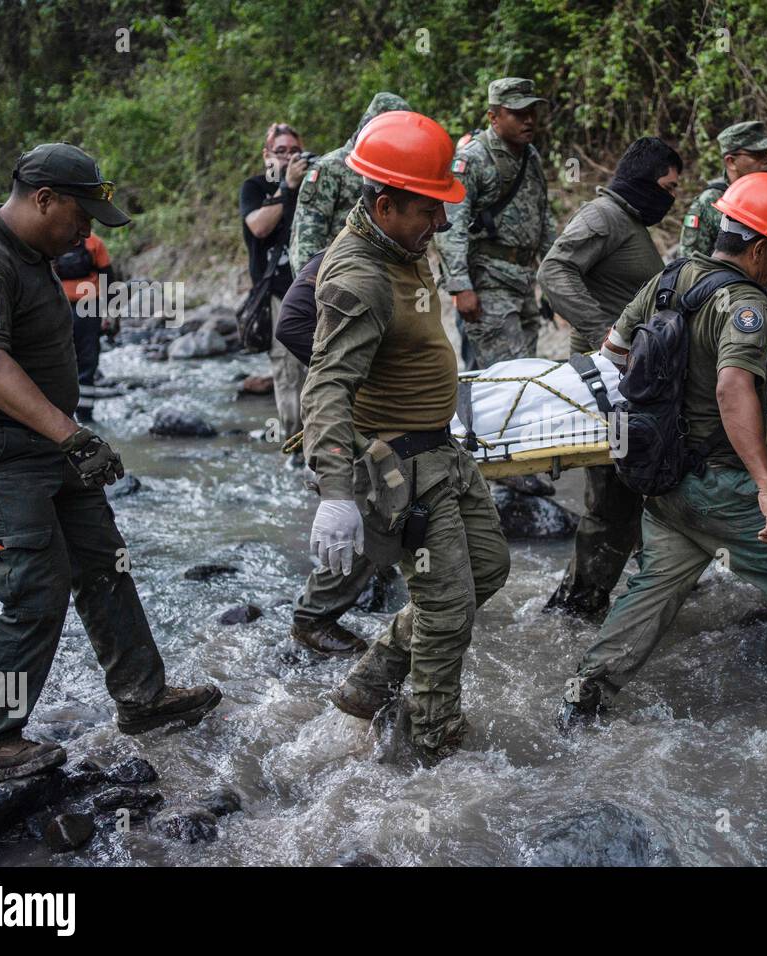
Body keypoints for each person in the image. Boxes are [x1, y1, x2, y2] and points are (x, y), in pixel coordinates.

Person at [0, 143, 222, 789]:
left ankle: (143, 699)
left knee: (103, 565)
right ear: (42, 199)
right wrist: (74, 435)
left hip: (53, 444)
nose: (87, 228)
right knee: (34, 589)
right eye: (80, 213)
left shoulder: (34, 253)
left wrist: (69, 438)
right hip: (1, 451)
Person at [559, 172, 767, 727]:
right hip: (719, 484)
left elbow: (614, 351)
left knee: (651, 593)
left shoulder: (668, 281)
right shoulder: (745, 303)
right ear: (761, 248)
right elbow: (732, 387)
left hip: (666, 481)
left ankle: (583, 700)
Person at [304, 111, 510, 764]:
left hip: (441, 449)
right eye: (430, 211)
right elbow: (326, 387)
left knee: (489, 569)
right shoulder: (360, 277)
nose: (442, 224)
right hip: (403, 471)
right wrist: (336, 493)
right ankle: (433, 749)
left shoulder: (401, 242)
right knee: (447, 611)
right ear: (385, 205)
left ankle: (369, 683)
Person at [280, 93, 409, 656]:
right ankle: (330, 582)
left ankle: (371, 573)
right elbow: (305, 264)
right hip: (331, 316)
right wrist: (344, 356)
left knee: (381, 477)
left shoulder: (400, 208)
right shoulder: (331, 177)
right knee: (346, 458)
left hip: (370, 318)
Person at [540, 137, 681, 617]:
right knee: (614, 499)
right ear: (643, 180)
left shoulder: (627, 221)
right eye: (668, 186)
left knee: (633, 488)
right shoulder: (604, 216)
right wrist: (604, 332)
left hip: (632, 382)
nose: (672, 197)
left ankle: (616, 591)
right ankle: (578, 606)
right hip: (608, 385)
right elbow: (555, 270)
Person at [436, 77, 557, 369]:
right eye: (517, 113)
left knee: (515, 376)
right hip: (489, 283)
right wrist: (460, 287)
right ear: (494, 117)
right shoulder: (472, 159)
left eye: (532, 112)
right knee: (514, 379)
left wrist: (555, 276)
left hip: (524, 282)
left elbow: (543, 217)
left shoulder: (530, 156)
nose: (528, 120)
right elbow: (450, 225)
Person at [678, 121, 767, 319]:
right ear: (731, 161)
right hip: (731, 307)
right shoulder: (709, 203)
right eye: (758, 155)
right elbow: (692, 269)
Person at [288, 92, 410, 274]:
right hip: (334, 279)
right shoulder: (330, 168)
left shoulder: (389, 170)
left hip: (377, 278)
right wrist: (311, 290)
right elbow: (307, 241)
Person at [241, 123, 308, 443]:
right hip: (276, 295)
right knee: (286, 372)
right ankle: (294, 442)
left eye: (294, 151)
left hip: (314, 289)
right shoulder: (255, 188)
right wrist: (286, 188)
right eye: (280, 152)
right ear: (267, 155)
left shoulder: (312, 184)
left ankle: (324, 442)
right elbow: (258, 227)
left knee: (319, 367)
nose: (288, 157)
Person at [53, 231, 113, 421]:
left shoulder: (53, 240)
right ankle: (85, 416)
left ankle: (64, 415)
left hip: (60, 307)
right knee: (87, 361)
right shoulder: (95, 242)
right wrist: (109, 312)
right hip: (88, 308)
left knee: (61, 359)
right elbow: (108, 279)